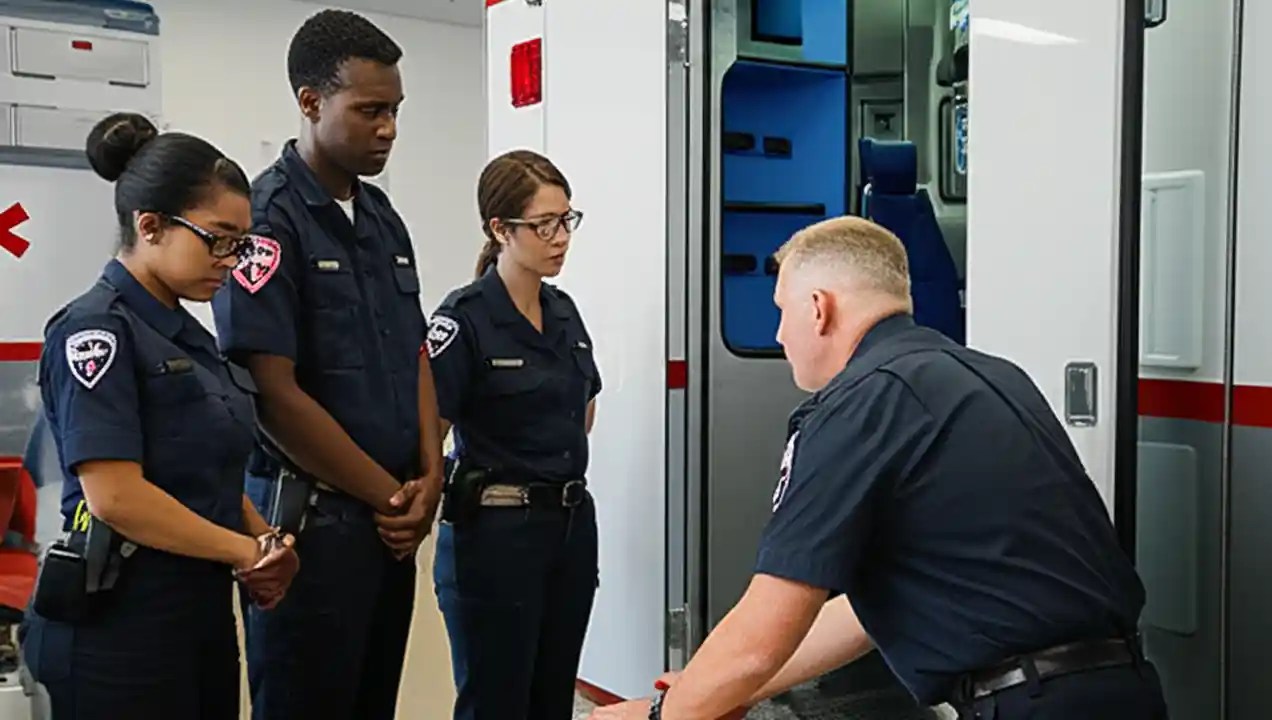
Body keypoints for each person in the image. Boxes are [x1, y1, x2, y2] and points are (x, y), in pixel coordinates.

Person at [591, 216, 1167, 720]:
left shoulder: (860, 403)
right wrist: (712, 689)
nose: (778, 336)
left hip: (1027, 702)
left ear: (819, 308)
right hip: (1121, 690)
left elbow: (766, 626)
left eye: (781, 312)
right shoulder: (990, 376)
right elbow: (863, 615)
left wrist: (664, 714)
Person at [20, 112, 299, 719]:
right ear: (149, 226)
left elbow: (209, 474)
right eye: (219, 238)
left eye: (242, 242)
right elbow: (116, 496)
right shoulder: (96, 331)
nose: (232, 259)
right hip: (117, 628)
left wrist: (264, 540)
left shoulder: (187, 337)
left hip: (194, 616)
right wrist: (242, 551)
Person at [210, 9, 445, 720]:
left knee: (373, 701)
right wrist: (388, 495)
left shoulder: (381, 218)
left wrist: (432, 474)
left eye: (396, 111)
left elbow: (415, 353)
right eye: (370, 110)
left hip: (391, 524)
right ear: (311, 103)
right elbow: (273, 395)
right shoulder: (266, 219)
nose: (389, 129)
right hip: (315, 527)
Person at [426, 149, 600, 719]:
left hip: (568, 529)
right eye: (543, 224)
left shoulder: (563, 311)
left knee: (552, 699)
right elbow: (430, 432)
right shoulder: (466, 317)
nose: (560, 237)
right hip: (496, 535)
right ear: (499, 229)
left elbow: (583, 408)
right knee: (496, 702)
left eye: (566, 220)